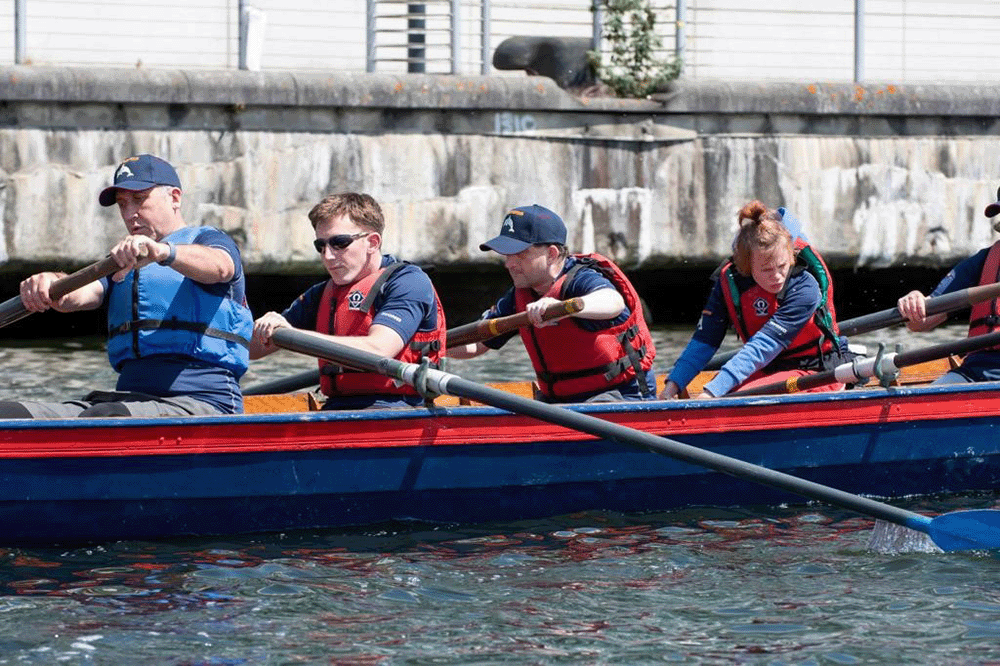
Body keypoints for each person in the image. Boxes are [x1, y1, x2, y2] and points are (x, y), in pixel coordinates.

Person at [0, 154, 253, 418]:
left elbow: (221, 267)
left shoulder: (210, 241)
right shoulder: (121, 263)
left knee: (104, 417)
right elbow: (76, 295)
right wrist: (50, 282)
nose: (130, 214)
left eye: (139, 199)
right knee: (8, 413)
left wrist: (162, 252)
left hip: (205, 402)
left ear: (175, 198)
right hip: (129, 399)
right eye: (122, 204)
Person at [250, 192, 447, 409]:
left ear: (372, 242)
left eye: (339, 243)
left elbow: (379, 349)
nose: (328, 255)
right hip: (337, 407)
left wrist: (292, 335)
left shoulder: (408, 282)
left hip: (398, 407)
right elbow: (250, 350)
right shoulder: (322, 294)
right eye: (321, 246)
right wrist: (266, 328)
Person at [449, 204, 656, 403]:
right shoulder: (520, 294)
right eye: (507, 255)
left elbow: (613, 302)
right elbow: (477, 344)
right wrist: (430, 348)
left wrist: (561, 309)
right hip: (559, 402)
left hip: (620, 396)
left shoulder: (581, 279)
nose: (509, 264)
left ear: (551, 254)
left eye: (520, 255)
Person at [661, 200, 846, 399]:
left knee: (731, 397)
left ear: (791, 258)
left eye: (782, 266)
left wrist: (712, 392)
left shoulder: (805, 288)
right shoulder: (730, 283)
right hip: (769, 368)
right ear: (747, 268)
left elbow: (764, 345)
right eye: (766, 269)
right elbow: (705, 340)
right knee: (724, 392)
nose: (777, 276)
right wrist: (673, 384)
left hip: (817, 372)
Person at [896, 186, 1000, 384]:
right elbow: (920, 323)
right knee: (921, 405)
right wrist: (914, 303)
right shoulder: (983, 261)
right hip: (975, 371)